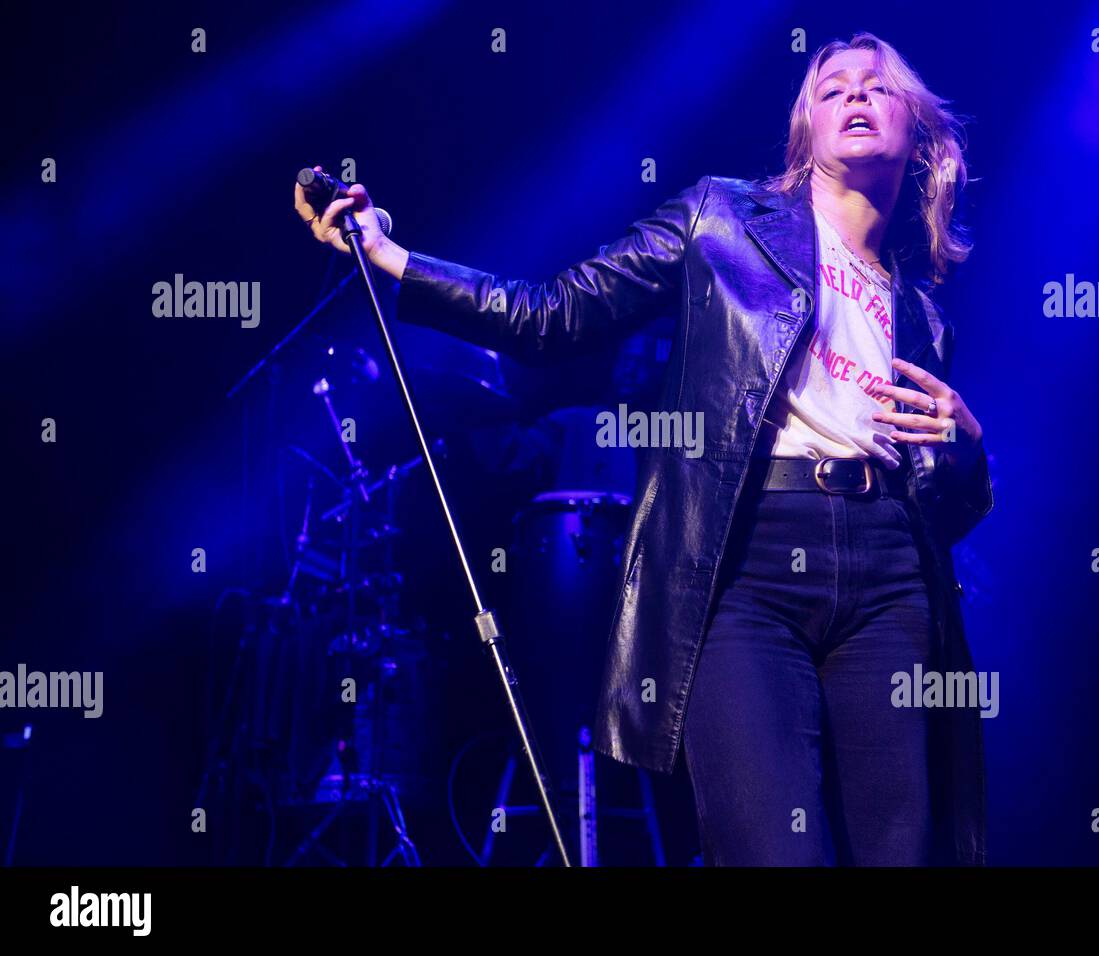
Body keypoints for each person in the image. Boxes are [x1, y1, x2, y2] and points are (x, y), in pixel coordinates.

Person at [295, 30, 993, 866]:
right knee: (777, 852)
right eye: (831, 84)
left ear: (916, 132)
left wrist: (969, 449)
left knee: (901, 854)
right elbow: (551, 313)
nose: (853, 95)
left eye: (877, 87)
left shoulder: (924, 314)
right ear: (804, 124)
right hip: (744, 562)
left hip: (890, 578)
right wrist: (390, 255)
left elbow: (951, 510)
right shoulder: (721, 219)